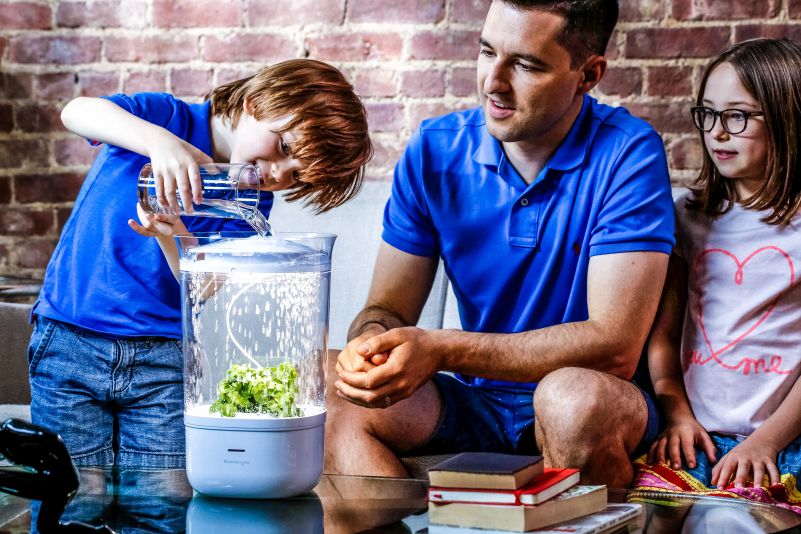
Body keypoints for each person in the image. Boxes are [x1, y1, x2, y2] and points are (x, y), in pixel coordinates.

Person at [326, 0, 674, 487]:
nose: (494, 81)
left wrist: (442, 349)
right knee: (328, 380)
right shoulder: (434, 149)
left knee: (569, 399)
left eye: (526, 64)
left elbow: (614, 346)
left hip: (593, 395)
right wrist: (372, 343)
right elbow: (387, 307)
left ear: (588, 74)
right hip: (475, 402)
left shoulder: (628, 154)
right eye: (488, 52)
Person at [28, 59, 372, 468]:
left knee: (163, 501)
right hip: (71, 339)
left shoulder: (250, 202)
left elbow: (202, 287)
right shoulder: (167, 117)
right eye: (284, 147)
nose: (277, 174)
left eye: (296, 177)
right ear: (256, 102)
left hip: (165, 360)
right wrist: (159, 142)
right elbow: (77, 112)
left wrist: (173, 235)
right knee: (69, 495)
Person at [646, 38, 801, 491]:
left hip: (784, 438)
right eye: (708, 114)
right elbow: (665, 334)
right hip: (694, 436)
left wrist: (767, 442)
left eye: (737, 116)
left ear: (787, 119)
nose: (717, 132)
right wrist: (675, 413)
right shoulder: (685, 215)